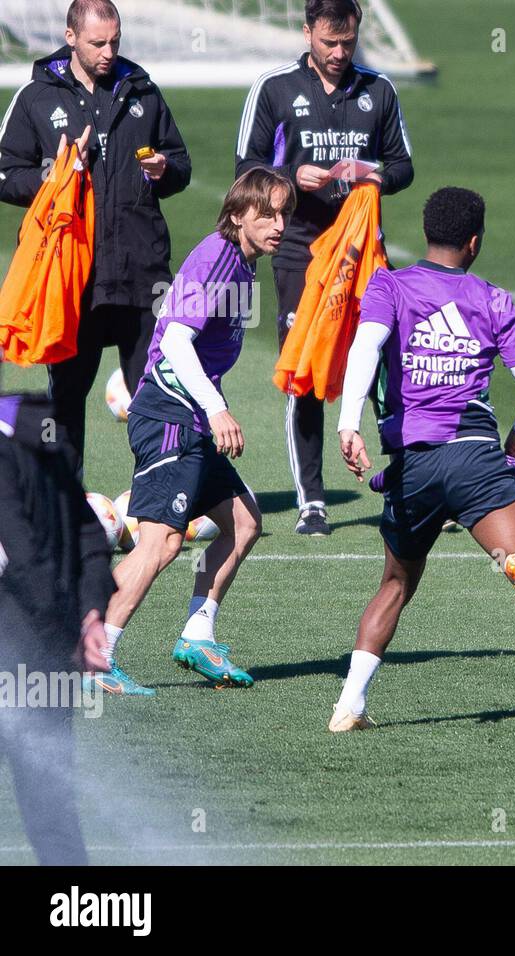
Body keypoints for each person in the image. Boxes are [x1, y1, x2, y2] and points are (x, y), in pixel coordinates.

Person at [330, 186, 515, 732]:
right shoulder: (494, 298)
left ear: (428, 229)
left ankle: (350, 705)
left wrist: (348, 424)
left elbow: (365, 347)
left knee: (395, 584)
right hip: (473, 457)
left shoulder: (388, 283)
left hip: (411, 463)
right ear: (475, 242)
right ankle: (510, 563)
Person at [87, 168, 294, 694]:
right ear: (237, 214)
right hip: (168, 415)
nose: (278, 223)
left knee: (244, 520)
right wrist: (217, 407)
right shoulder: (217, 260)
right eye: (267, 212)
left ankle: (197, 635)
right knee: (160, 542)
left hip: (191, 418)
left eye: (284, 213)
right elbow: (177, 341)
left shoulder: (242, 265)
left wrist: (212, 409)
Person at [236, 0, 414, 537]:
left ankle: (402, 482)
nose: (339, 54)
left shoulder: (378, 90)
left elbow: (404, 166)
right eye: (328, 43)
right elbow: (246, 168)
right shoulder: (273, 88)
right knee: (307, 373)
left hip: (363, 249)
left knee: (388, 363)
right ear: (307, 30)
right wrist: (292, 176)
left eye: (348, 43)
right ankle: (312, 500)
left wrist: (372, 173)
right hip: (300, 250)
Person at [0, 0, 191, 472]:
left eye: (115, 42)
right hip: (71, 276)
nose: (109, 52)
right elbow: (5, 172)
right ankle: (70, 503)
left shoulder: (142, 90)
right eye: (97, 43)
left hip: (141, 269)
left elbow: (180, 166)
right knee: (66, 396)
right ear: (70, 38)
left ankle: (157, 499)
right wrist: (55, 175)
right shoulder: (36, 98)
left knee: (153, 394)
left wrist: (164, 170)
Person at [0, 391, 113, 864]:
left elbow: (25, 561)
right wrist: (87, 616)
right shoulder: (42, 435)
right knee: (53, 812)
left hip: (15, 649)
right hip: (50, 660)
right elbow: (90, 532)